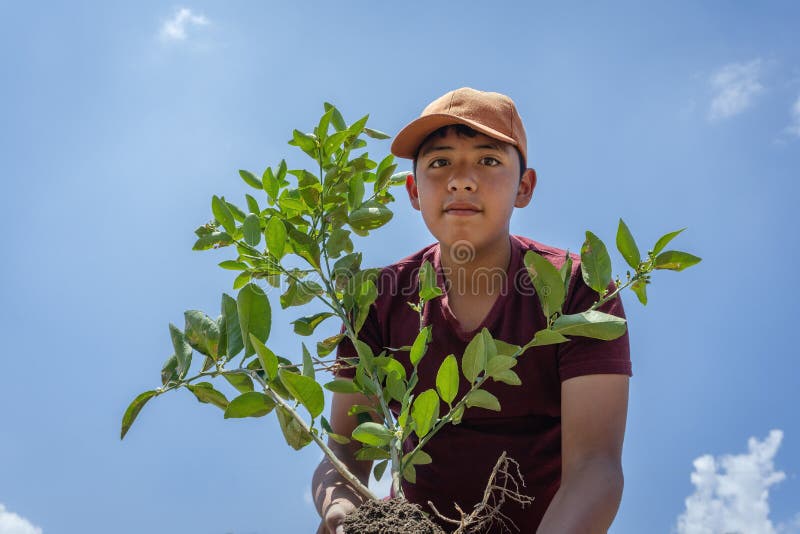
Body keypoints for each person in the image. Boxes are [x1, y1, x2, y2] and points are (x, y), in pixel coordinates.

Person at [312, 87, 631, 533]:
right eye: (440, 163)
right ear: (413, 191)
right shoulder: (376, 300)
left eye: (488, 160)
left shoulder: (580, 289)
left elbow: (595, 463)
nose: (461, 179)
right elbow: (344, 453)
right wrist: (343, 513)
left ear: (524, 187)